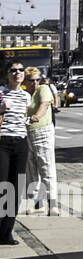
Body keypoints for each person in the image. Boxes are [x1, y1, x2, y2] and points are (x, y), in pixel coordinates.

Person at [0, 61, 32, 245]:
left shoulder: (26, 96)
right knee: (3, 187)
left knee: (16, 189)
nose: (17, 73)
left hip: (20, 143)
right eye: (13, 70)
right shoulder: (1, 92)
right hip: (3, 142)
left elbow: (25, 118)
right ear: (7, 74)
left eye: (20, 70)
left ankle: (6, 233)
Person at [24, 68, 56, 215]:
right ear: (25, 81)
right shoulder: (24, 94)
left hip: (42, 131)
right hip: (27, 133)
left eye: (37, 79)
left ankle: (53, 204)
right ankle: (37, 204)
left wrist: (36, 116)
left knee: (46, 167)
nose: (35, 83)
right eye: (31, 80)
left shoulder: (43, 89)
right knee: (31, 170)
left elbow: (45, 105)